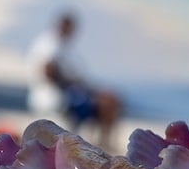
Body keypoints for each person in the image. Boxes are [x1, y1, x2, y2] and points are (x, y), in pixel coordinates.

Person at [26, 11, 122, 149]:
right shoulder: (51, 45)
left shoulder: (54, 43)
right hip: (56, 99)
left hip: (57, 95)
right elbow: (47, 70)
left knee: (107, 99)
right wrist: (70, 83)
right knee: (108, 103)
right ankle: (104, 145)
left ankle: (102, 143)